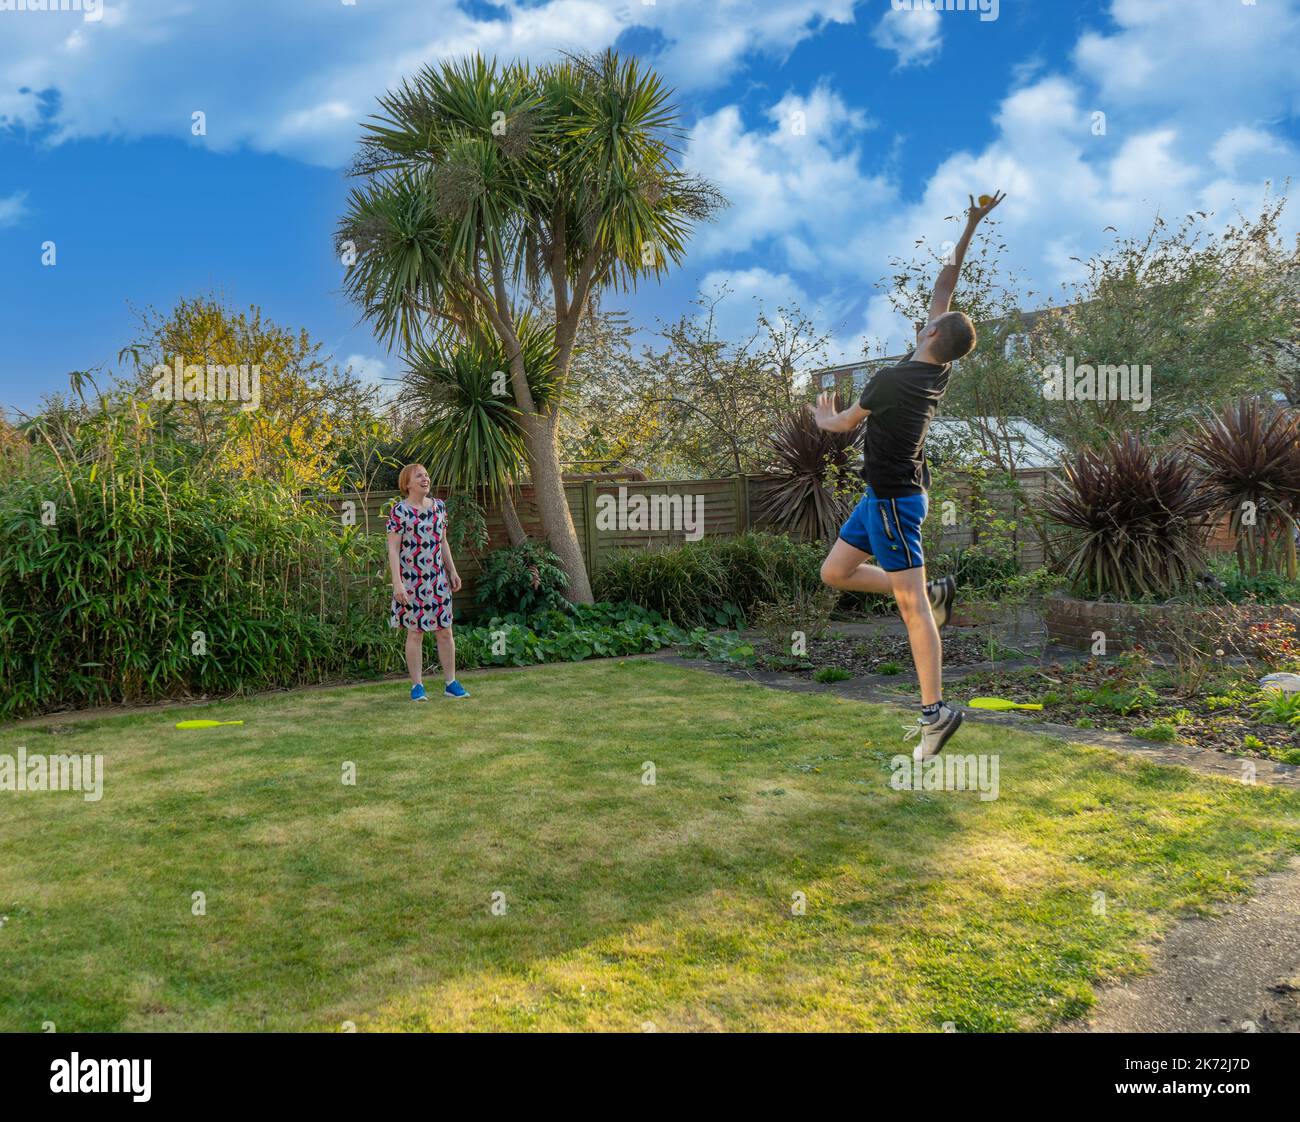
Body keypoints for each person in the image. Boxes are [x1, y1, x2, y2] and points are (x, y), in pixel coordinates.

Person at [815, 191, 1005, 760]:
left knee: (911, 609)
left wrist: (825, 418)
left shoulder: (891, 380)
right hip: (882, 498)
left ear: (930, 334)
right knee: (836, 572)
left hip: (895, 502)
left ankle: (934, 712)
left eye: (930, 317)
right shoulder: (937, 368)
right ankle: (936, 592)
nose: (930, 311)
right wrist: (971, 224)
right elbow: (947, 283)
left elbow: (844, 423)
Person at [386, 463, 470, 700]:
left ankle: (451, 683)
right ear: (407, 484)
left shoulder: (439, 507)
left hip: (438, 580)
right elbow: (393, 549)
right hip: (412, 581)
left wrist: (452, 571)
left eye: (426, 475)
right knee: (415, 633)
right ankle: (417, 687)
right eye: (419, 476)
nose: (425, 478)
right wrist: (397, 583)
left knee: (445, 631)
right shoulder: (399, 511)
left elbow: (443, 541)